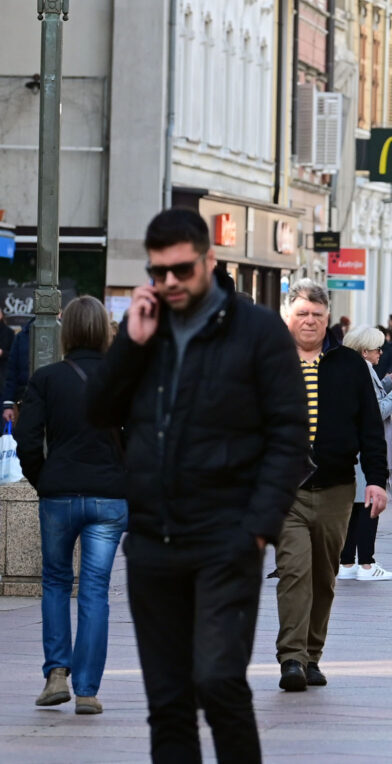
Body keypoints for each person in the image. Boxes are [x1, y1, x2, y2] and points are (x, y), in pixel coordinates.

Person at [87, 208, 308, 759]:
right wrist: (129, 345)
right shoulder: (148, 329)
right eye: (158, 272)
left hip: (225, 539)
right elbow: (97, 412)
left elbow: (289, 439)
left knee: (219, 683)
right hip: (152, 542)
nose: (168, 284)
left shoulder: (256, 332)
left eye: (181, 270)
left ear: (209, 260)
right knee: (168, 703)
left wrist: (256, 531)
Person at [274, 284, 390, 692]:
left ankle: (311, 655)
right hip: (283, 488)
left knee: (324, 576)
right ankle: (291, 657)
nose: (309, 321)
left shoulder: (348, 365)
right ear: (289, 316)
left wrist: (377, 479)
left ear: (328, 319)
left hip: (337, 487)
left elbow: (370, 428)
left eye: (317, 315)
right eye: (303, 313)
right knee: (293, 571)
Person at [17, 296, 124, 715]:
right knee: (95, 590)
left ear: (67, 332)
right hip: (109, 497)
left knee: (57, 582)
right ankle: (88, 691)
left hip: (59, 493)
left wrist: (42, 479)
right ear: (104, 331)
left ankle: (56, 673)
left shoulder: (46, 379)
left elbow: (28, 440)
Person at [337, 326, 392, 584]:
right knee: (369, 506)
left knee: (356, 508)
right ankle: (367, 564)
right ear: (364, 351)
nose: (381, 352)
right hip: (366, 450)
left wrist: (389, 381)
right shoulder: (362, 371)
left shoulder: (354, 371)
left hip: (354, 449)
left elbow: (369, 399)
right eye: (377, 349)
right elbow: (375, 410)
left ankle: (347, 562)